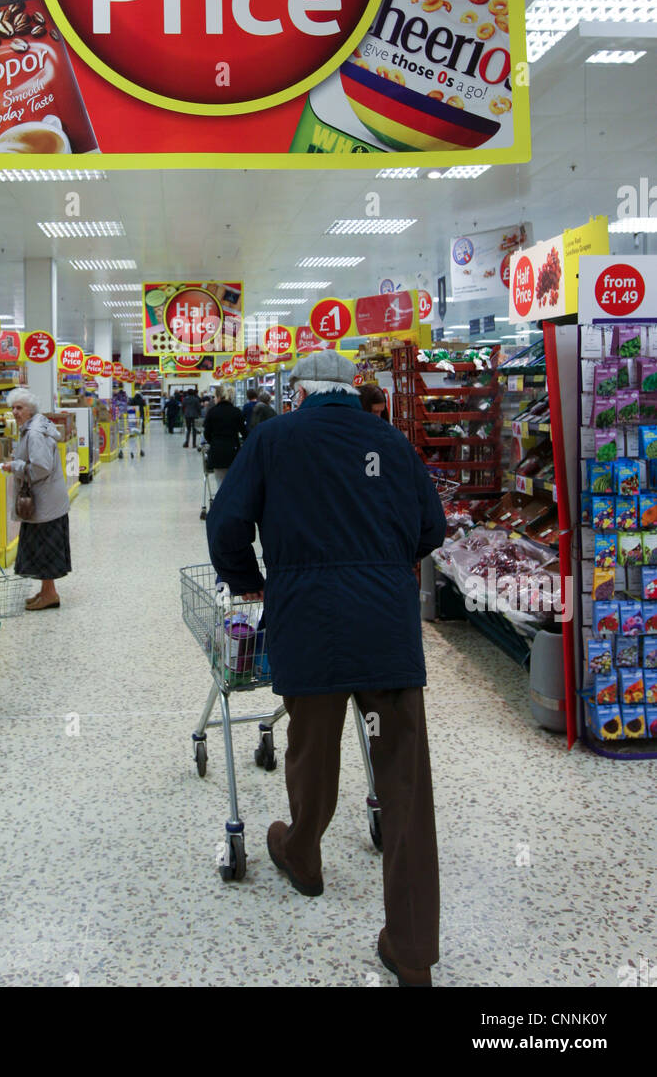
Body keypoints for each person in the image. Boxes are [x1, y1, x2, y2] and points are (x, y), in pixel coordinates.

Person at [205, 351, 446, 988]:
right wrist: (381, 562)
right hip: (386, 629)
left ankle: (303, 852)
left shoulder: (273, 440)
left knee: (312, 747)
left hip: (308, 620)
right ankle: (413, 952)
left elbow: (227, 522)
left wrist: (248, 579)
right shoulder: (391, 443)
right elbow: (432, 527)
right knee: (404, 782)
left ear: (301, 393)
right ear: (352, 390)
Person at [3, 389, 71, 610]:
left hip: (45, 502)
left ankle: (50, 594)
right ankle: (46, 591)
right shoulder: (35, 428)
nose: (15, 412)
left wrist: (15, 466)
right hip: (48, 500)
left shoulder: (33, 434)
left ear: (30, 410)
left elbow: (41, 468)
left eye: (19, 408)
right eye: (13, 408)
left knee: (44, 549)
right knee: (42, 547)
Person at [202, 384, 247, 488]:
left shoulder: (212, 412)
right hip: (233, 451)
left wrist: (213, 442)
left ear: (218, 397)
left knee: (220, 482)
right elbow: (245, 433)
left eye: (214, 397)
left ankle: (222, 497)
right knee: (234, 482)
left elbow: (206, 433)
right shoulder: (236, 412)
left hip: (217, 451)